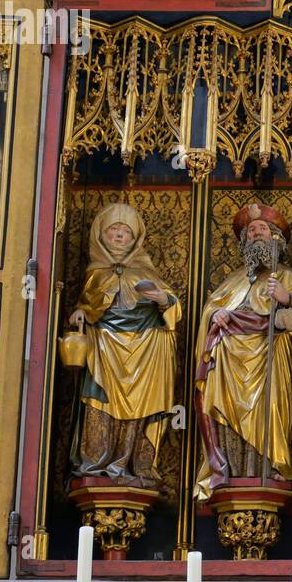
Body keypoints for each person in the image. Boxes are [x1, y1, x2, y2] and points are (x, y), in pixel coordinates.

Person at [194, 202, 292, 498]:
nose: (257, 234)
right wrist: (215, 315)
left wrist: (287, 299)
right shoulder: (233, 281)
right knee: (226, 409)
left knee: (268, 410)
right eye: (251, 231)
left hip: (268, 359)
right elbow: (211, 310)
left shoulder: (285, 276)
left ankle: (268, 467)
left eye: (263, 230)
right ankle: (230, 468)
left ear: (276, 240)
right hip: (230, 363)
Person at [67, 204, 179, 487]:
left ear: (135, 238)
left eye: (125, 232)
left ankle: (127, 463)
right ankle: (96, 464)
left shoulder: (147, 271)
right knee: (97, 404)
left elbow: (174, 308)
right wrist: (81, 311)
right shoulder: (96, 272)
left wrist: (162, 300)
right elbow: (89, 304)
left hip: (145, 349)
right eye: (113, 230)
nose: (119, 236)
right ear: (101, 236)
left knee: (139, 410)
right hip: (104, 348)